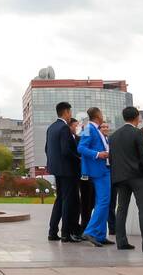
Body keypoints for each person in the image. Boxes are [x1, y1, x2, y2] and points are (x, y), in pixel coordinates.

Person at [109, 107, 143, 251]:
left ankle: (121, 241)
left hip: (120, 177)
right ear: (137, 117)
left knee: (121, 209)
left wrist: (115, 177)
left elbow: (112, 158)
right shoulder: (137, 133)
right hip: (139, 177)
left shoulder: (113, 136)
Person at [44, 102, 81, 241]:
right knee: (67, 201)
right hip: (67, 170)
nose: (70, 114)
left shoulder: (51, 128)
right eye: (70, 112)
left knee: (59, 199)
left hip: (56, 169)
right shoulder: (64, 128)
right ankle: (66, 233)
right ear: (65, 112)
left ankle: (52, 231)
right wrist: (79, 158)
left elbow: (47, 149)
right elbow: (66, 151)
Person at [78, 107, 113, 247]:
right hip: (98, 169)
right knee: (104, 202)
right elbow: (80, 148)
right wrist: (98, 154)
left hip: (103, 168)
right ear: (98, 115)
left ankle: (100, 235)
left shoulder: (96, 129)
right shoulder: (88, 128)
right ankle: (90, 231)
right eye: (102, 113)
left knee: (103, 202)